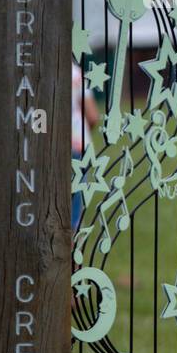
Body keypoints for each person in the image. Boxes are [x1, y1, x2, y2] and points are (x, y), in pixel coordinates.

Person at [71, 62, 99, 231]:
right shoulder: (75, 73)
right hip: (76, 145)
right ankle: (71, 255)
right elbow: (93, 115)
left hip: (44, 149)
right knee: (72, 213)